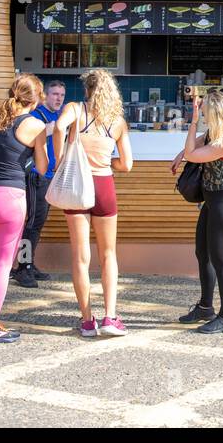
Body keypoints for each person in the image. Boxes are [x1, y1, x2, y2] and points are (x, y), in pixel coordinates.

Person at [53, 70, 133, 337]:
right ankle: (110, 317)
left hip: (77, 185)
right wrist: (106, 161)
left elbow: (58, 127)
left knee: (80, 256)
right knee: (108, 254)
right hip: (104, 186)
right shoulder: (117, 121)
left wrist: (62, 157)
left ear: (85, 89)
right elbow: (127, 165)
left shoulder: (75, 109)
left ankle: (88, 321)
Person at [0, 74, 47, 344]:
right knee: (3, 265)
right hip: (10, 199)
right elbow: (41, 167)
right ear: (36, 98)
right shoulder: (35, 125)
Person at [171, 89, 223, 334]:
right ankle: (205, 307)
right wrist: (181, 155)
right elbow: (194, 147)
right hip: (212, 202)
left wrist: (191, 122)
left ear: (215, 114)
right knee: (202, 254)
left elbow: (194, 152)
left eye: (204, 114)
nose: (201, 117)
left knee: (221, 262)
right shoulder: (216, 133)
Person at [12, 80, 64, 288]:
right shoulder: (36, 116)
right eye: (54, 94)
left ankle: (28, 264)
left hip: (50, 176)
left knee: (37, 223)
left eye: (61, 94)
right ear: (45, 96)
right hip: (35, 176)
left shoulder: (59, 116)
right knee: (32, 224)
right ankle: (23, 268)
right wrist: (50, 129)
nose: (58, 98)